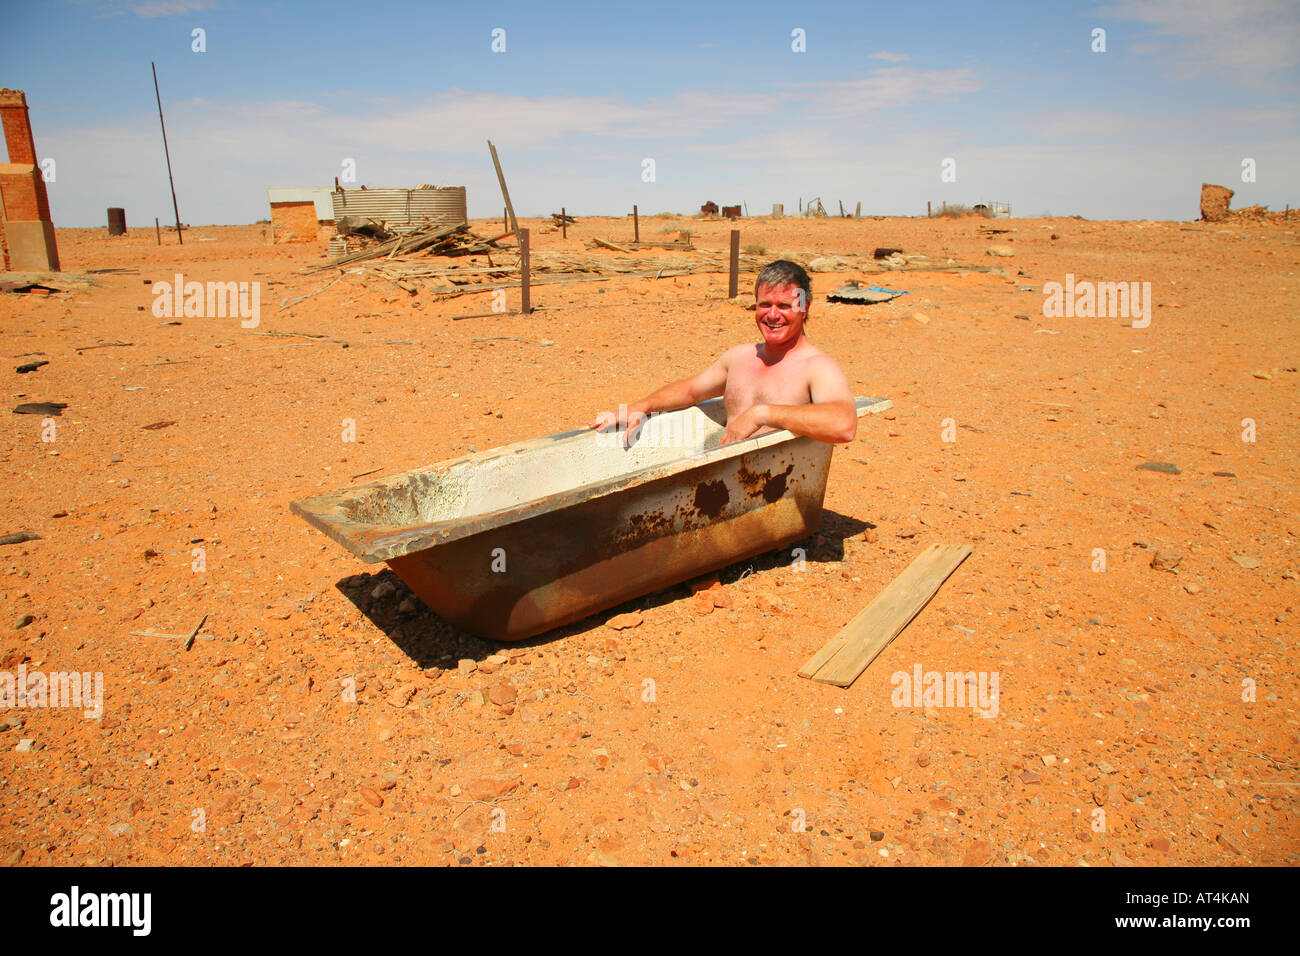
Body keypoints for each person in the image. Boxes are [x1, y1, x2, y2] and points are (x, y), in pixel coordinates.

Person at [589, 259, 857, 446]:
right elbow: (692, 390)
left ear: (804, 307)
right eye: (765, 304)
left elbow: (844, 425)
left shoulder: (817, 367)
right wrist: (640, 407)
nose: (772, 315)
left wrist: (762, 413)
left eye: (784, 306)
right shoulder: (740, 357)